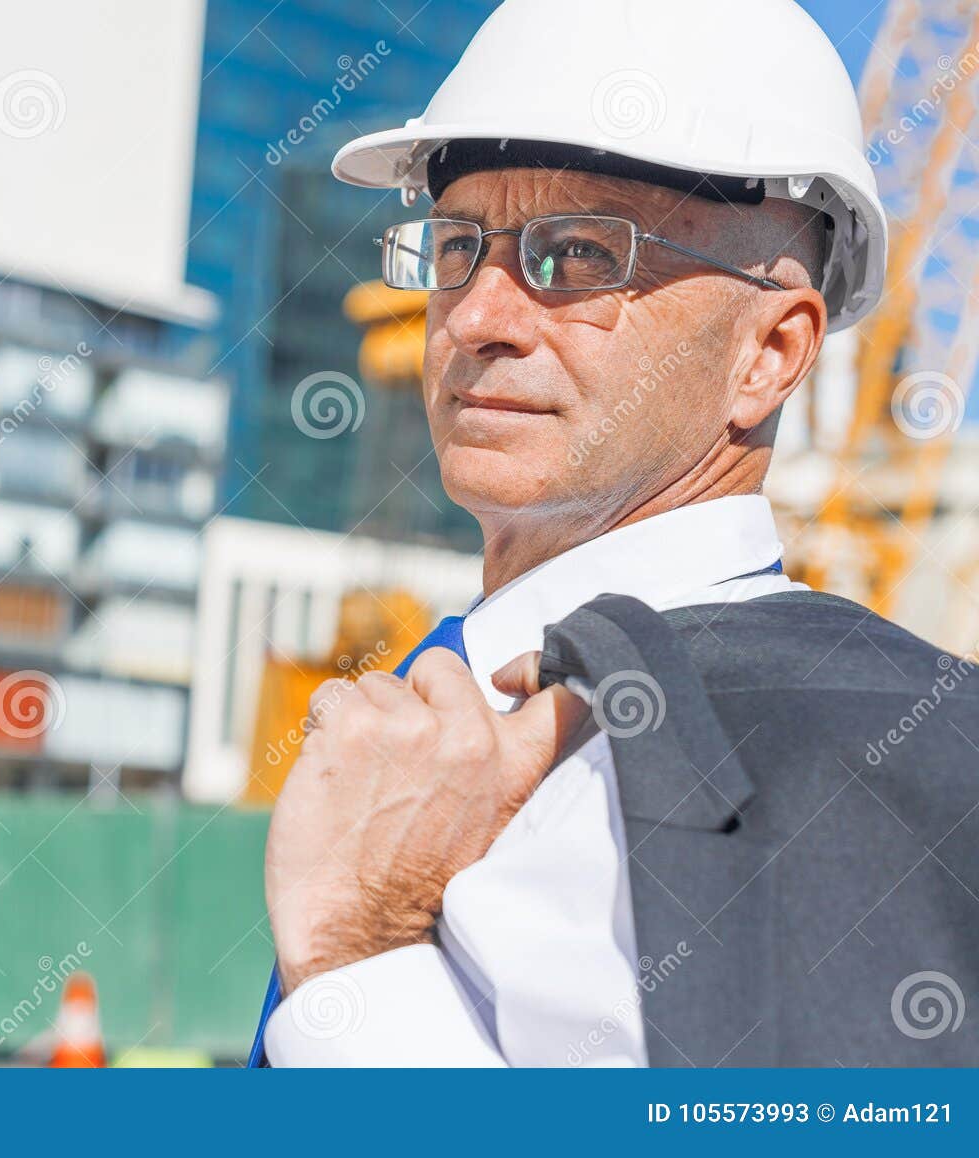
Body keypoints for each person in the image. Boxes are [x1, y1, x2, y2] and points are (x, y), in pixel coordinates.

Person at [251, 0, 944, 1066]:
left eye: (577, 256)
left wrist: (360, 953)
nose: (476, 317)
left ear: (767, 353)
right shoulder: (453, 687)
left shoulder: (832, 757)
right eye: (455, 247)